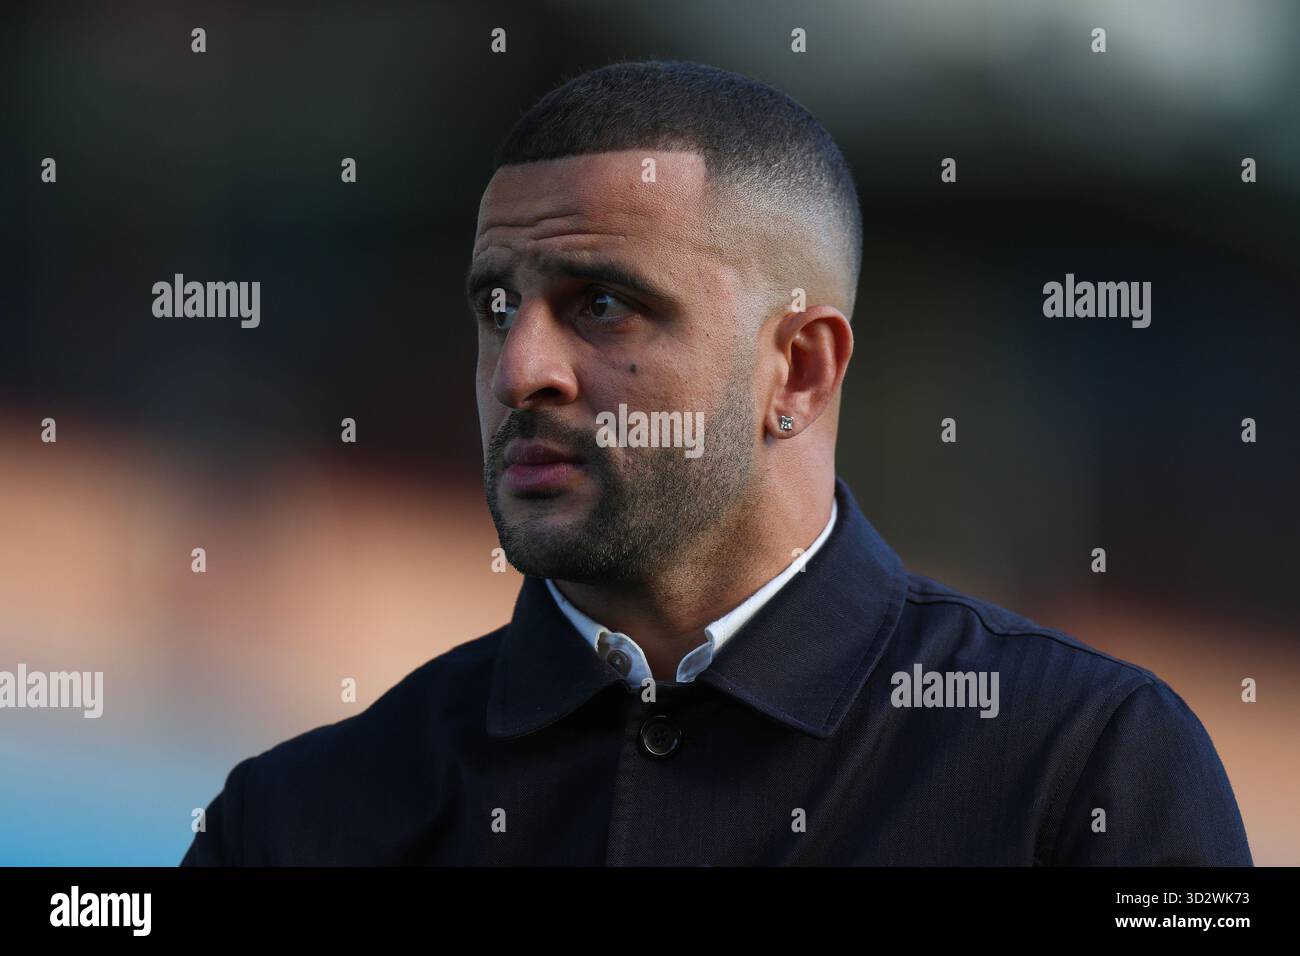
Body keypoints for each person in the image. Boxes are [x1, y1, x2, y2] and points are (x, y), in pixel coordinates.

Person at [182, 59, 1251, 866]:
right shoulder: (293, 821)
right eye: (495, 305)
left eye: (602, 303)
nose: (520, 369)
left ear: (796, 370)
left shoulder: (1090, 767)